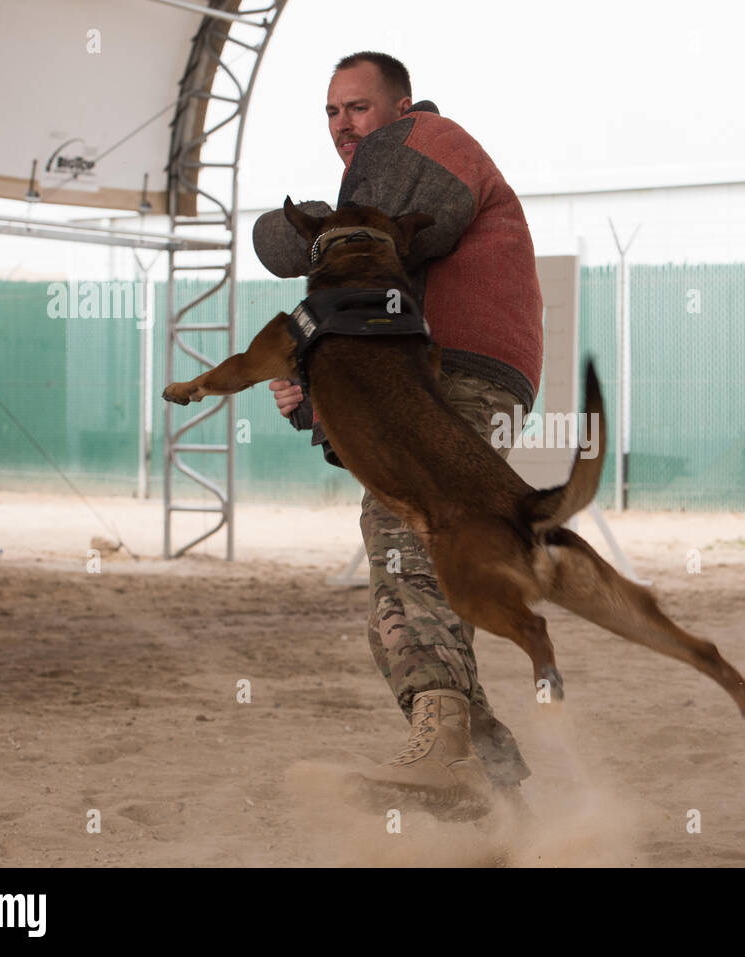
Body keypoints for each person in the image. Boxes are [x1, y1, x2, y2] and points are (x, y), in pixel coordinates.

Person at [251, 52, 544, 818]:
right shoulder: (386, 177)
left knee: (402, 534)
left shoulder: (426, 142)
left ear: (401, 104)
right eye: (331, 111)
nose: (343, 124)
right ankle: (501, 798)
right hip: (428, 381)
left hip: (463, 373)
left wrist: (297, 230)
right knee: (399, 613)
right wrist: (316, 402)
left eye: (358, 106)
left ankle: (446, 751)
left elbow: (295, 244)